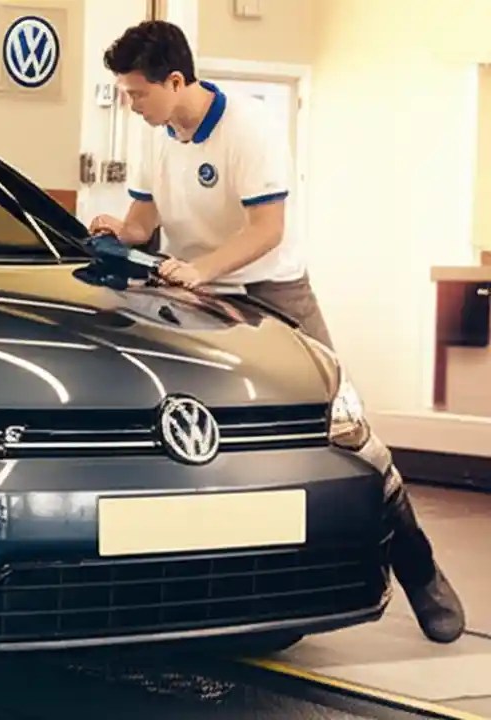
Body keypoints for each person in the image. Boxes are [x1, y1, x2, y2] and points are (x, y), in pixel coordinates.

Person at [89, 19, 465, 644]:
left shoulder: (249, 129)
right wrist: (116, 231)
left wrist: (202, 267)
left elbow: (267, 230)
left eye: (138, 93)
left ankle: (420, 574)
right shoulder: (156, 136)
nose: (131, 104)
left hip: (270, 289)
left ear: (175, 81)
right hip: (196, 295)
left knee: (350, 435)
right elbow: (141, 222)